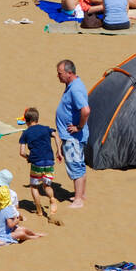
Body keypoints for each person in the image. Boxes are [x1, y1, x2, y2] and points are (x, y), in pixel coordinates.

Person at [55, 59, 90, 206]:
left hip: (73, 136)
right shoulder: (73, 85)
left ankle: (78, 199)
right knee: (78, 164)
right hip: (71, 136)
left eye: (60, 73)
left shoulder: (75, 89)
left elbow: (86, 110)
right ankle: (81, 194)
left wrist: (78, 127)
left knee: (76, 166)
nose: (58, 76)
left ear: (70, 73)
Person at [18, 107, 60, 220]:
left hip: (36, 162)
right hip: (49, 161)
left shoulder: (26, 133)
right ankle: (52, 199)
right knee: (47, 185)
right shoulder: (46, 128)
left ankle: (39, 210)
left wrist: (28, 157)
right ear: (37, 118)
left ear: (26, 121)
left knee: (34, 186)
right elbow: (56, 135)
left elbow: (21, 152)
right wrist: (59, 151)